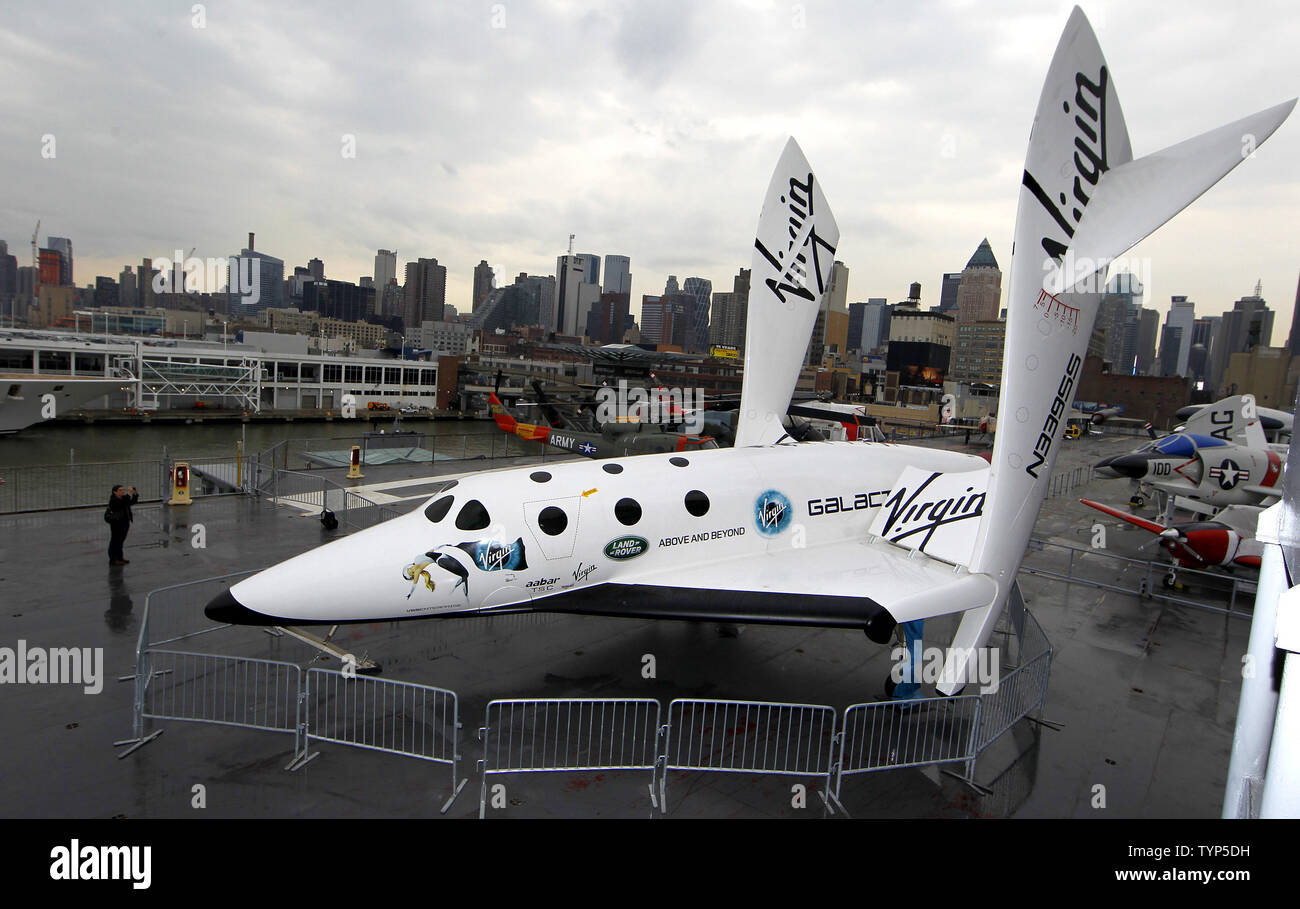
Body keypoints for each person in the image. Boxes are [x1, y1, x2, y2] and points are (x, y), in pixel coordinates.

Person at [106, 484, 139, 565]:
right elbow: (121, 504)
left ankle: (120, 557)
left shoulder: (122, 498)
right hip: (117, 523)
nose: (122, 491)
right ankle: (113, 559)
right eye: (120, 490)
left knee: (121, 541)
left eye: (122, 490)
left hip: (124, 522)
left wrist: (135, 494)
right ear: (114, 492)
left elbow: (131, 502)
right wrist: (128, 493)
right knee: (115, 540)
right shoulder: (113, 500)